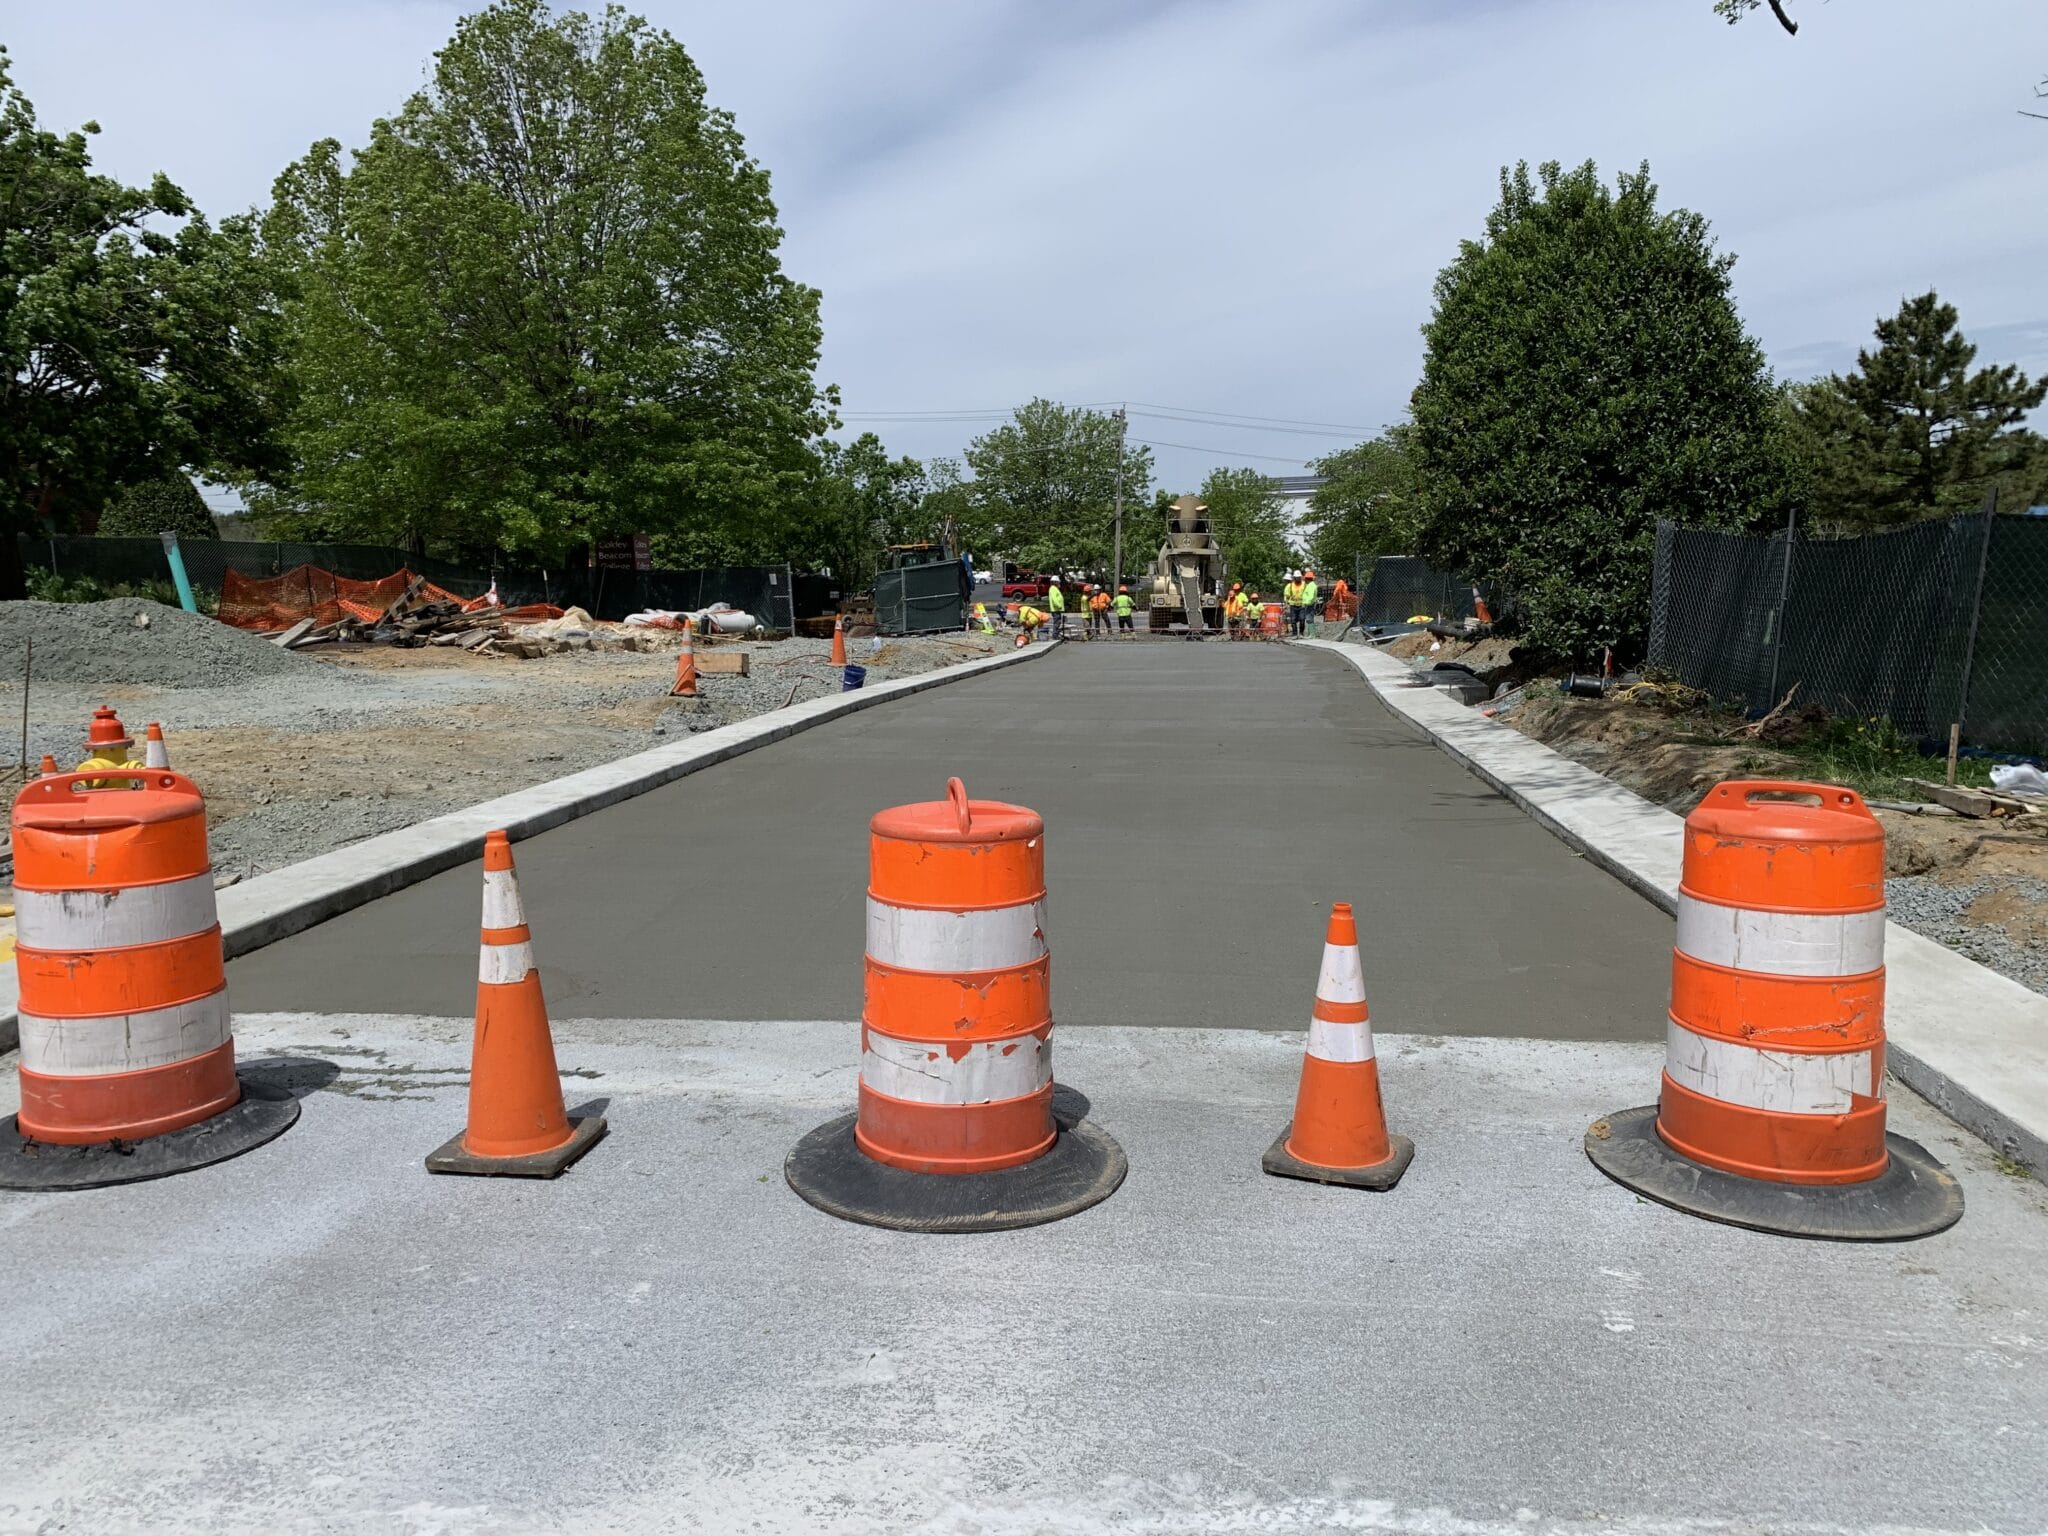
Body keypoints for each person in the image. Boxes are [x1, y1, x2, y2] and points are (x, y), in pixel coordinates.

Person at [1299, 570, 1320, 637]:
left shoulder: (1311, 586)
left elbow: (1310, 597)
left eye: (1305, 578)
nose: (1304, 580)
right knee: (1309, 619)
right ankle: (1311, 634)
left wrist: (1305, 603)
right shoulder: (1311, 585)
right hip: (1309, 604)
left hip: (1309, 604)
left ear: (1307, 579)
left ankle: (1312, 634)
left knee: (1309, 619)